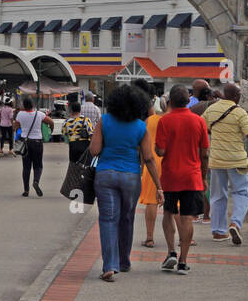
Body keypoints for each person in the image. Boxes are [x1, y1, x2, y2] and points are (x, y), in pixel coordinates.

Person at [89, 83, 162, 282]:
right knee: (127, 218)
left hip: (106, 174)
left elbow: (94, 151)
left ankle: (109, 266)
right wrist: (159, 186)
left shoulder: (104, 121)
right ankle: (124, 260)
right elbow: (148, 158)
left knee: (108, 219)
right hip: (131, 176)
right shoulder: (141, 126)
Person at [156, 85, 210, 273]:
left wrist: (160, 148)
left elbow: (160, 151)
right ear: (188, 101)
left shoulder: (165, 121)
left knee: (169, 213)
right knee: (187, 217)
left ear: (170, 101)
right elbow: (204, 153)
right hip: (192, 176)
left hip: (171, 175)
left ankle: (171, 252)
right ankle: (183, 261)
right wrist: (203, 177)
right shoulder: (198, 122)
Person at [200, 83, 248, 244]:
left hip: (217, 160)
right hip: (237, 160)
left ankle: (218, 232)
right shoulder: (240, 112)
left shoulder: (212, 109)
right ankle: (235, 223)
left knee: (218, 195)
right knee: (241, 194)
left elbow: (203, 127)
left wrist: (215, 131)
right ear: (237, 96)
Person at [133, 84, 164, 248]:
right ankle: (185, 238)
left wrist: (142, 165)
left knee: (152, 201)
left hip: (150, 163)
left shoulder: (145, 121)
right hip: (167, 162)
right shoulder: (166, 119)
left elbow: (141, 146)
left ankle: (150, 237)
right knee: (177, 204)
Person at [13, 97, 52, 197]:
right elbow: (51, 122)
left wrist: (19, 133)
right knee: (38, 165)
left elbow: (16, 126)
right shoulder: (39, 114)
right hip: (37, 142)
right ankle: (36, 182)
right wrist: (49, 132)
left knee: (26, 167)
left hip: (25, 143)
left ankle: (26, 190)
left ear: (23, 106)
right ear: (33, 105)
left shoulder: (20, 114)